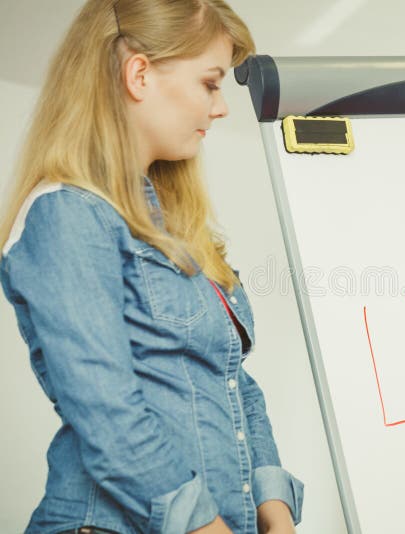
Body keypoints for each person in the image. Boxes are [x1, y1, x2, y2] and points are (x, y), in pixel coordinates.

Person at [0, 1, 303, 533]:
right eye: (210, 83)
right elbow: (105, 409)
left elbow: (233, 379)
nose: (221, 108)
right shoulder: (66, 213)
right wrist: (205, 526)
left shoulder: (177, 227)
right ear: (138, 74)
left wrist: (273, 507)